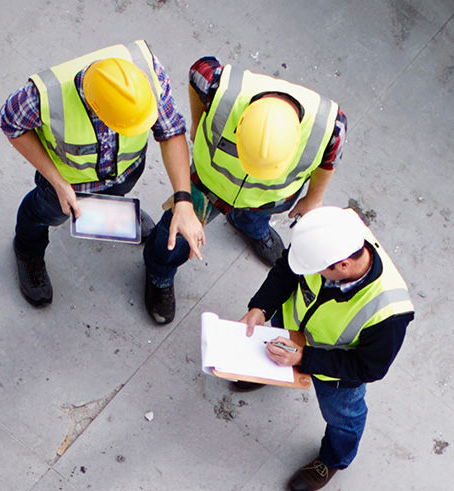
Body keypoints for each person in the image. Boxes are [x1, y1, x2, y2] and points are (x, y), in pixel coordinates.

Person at [0, 41, 205, 315]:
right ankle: (27, 251)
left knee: (115, 197)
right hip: (67, 186)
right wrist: (57, 182)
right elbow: (11, 123)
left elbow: (170, 132)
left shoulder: (148, 75)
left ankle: (112, 214)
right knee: (41, 214)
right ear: (97, 110)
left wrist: (183, 200)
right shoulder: (44, 96)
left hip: (126, 170)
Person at [143, 56, 348, 323]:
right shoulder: (219, 87)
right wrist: (196, 121)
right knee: (176, 235)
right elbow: (197, 72)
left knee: (256, 214)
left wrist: (313, 199)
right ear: (241, 123)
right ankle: (160, 273)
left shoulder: (329, 127)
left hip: (266, 197)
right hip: (208, 184)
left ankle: (250, 225)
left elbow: (328, 160)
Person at [238, 206, 413, 491]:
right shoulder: (321, 241)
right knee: (273, 355)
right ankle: (270, 372)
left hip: (336, 374)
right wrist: (261, 307)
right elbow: (286, 271)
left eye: (316, 270)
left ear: (342, 266)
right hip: (290, 328)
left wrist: (304, 359)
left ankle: (333, 459)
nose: (308, 272)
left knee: (343, 417)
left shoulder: (389, 311)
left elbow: (369, 367)